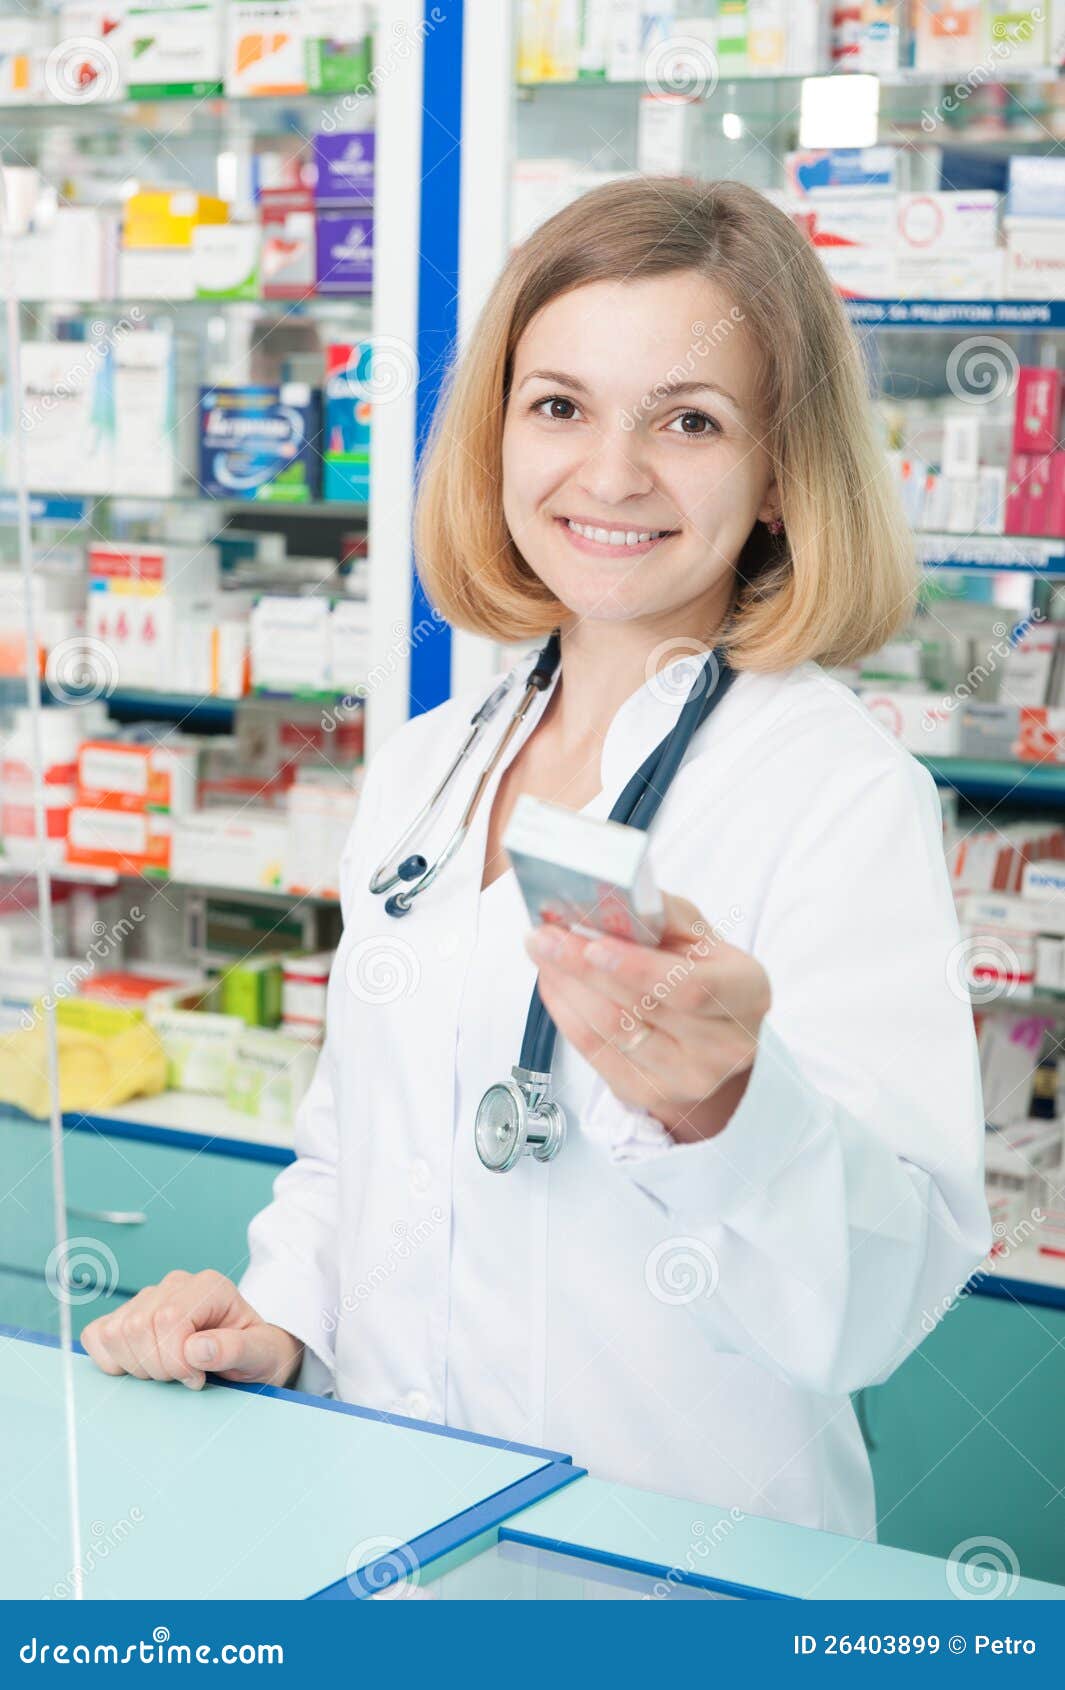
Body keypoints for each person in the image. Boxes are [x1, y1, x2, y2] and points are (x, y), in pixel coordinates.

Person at [82, 177, 989, 1538]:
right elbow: (353, 1156)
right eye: (559, 406)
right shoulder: (430, 767)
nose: (611, 474)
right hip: (387, 1524)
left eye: (688, 420)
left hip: (679, 1564)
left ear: (781, 476)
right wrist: (278, 1319)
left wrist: (729, 1105)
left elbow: (879, 1301)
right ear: (497, 434)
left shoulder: (836, 793)